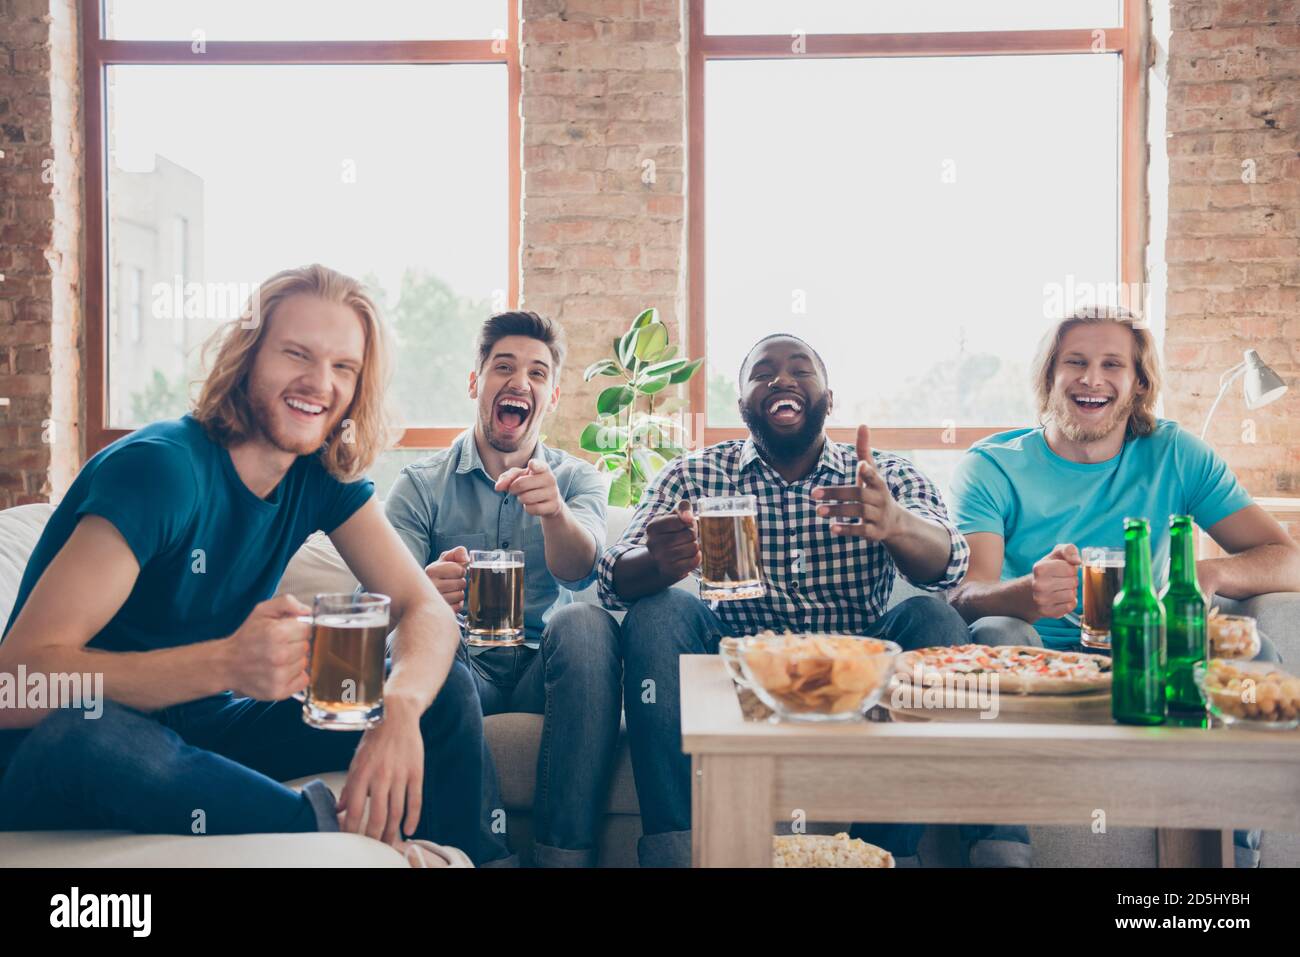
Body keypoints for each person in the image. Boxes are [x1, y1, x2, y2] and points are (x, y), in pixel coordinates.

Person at [0, 264, 512, 867]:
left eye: (343, 367)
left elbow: (422, 605)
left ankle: (476, 860)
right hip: (75, 748)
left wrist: (397, 709)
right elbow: (17, 683)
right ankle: (326, 831)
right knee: (88, 733)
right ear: (247, 357)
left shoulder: (318, 475)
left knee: (438, 685)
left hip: (216, 731)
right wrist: (223, 663)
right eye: (296, 354)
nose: (319, 383)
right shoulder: (159, 472)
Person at [599, 333, 972, 867]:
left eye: (801, 369)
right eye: (763, 372)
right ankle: (676, 853)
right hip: (734, 664)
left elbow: (951, 565)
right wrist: (656, 562)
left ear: (828, 397)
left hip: (858, 668)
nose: (782, 379)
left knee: (936, 619)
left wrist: (896, 524)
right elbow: (612, 579)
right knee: (658, 612)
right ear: (742, 402)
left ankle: (884, 855)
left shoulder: (879, 475)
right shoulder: (694, 473)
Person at [948, 304, 1300, 867]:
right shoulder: (992, 464)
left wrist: (1206, 573)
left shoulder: (1175, 453)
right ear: (1049, 378)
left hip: (1153, 656)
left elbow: (1289, 558)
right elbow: (965, 595)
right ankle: (1002, 850)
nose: (1092, 378)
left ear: (1138, 384)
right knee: (995, 627)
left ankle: (1229, 856)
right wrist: (1025, 594)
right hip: (1039, 664)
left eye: (1113, 364)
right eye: (1075, 363)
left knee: (1254, 649)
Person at [385, 310, 622, 868]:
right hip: (465, 663)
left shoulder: (578, 479)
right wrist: (421, 590)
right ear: (476, 382)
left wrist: (555, 513)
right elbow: (375, 604)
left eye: (538, 374)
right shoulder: (420, 486)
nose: (520, 383)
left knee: (585, 624)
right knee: (427, 648)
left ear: (553, 396)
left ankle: (564, 856)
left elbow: (581, 570)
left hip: (546, 669)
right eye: (504, 367)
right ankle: (483, 859)